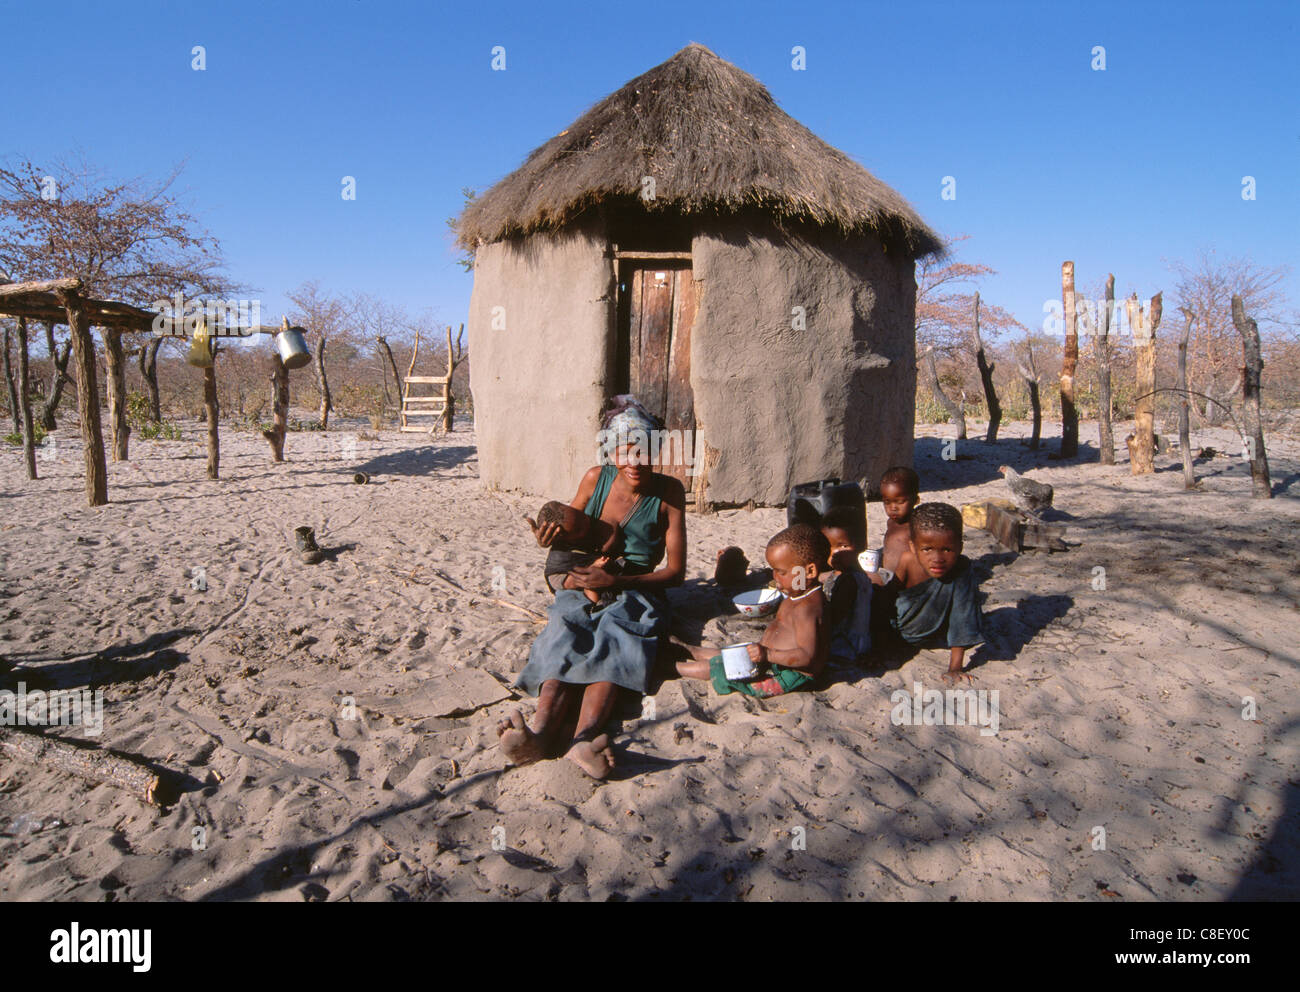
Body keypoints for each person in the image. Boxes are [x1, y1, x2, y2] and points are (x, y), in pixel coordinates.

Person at [497, 396, 687, 779]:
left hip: (635, 587)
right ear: (611, 450)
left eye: (644, 451)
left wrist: (616, 581)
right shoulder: (594, 479)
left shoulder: (670, 494)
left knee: (615, 635)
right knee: (566, 630)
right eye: (624, 450)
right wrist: (548, 539)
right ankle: (542, 732)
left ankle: (584, 738)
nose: (634, 461)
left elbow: (676, 572)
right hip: (585, 578)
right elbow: (568, 532)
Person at [676, 524, 829, 699]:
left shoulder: (808, 609)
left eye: (782, 572)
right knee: (731, 654)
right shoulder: (798, 594)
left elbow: (807, 656)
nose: (775, 578)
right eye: (773, 570)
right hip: (770, 658)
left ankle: (673, 668)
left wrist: (768, 654)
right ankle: (690, 650)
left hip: (788, 674)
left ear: (809, 571)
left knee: (722, 668)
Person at [890, 502, 986, 685]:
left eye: (947, 550)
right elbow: (886, 601)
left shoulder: (961, 569)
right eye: (927, 549)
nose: (937, 559)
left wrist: (955, 668)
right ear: (912, 546)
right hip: (900, 632)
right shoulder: (907, 561)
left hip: (935, 633)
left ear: (960, 547)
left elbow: (962, 616)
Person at [529, 499, 622, 605]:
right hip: (575, 583)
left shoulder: (590, 521)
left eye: (582, 517)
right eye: (578, 529)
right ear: (565, 539)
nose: (586, 524)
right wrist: (590, 569)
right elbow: (561, 581)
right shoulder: (561, 557)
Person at [820, 506, 872, 662]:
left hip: (845, 645)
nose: (834, 554)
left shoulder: (849, 581)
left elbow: (833, 619)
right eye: (828, 547)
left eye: (843, 546)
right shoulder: (842, 572)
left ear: (861, 545)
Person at [878, 466, 921, 577]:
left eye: (900, 502)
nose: (893, 507)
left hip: (904, 578)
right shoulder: (891, 522)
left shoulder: (915, 526)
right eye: (887, 502)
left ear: (916, 500)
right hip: (886, 573)